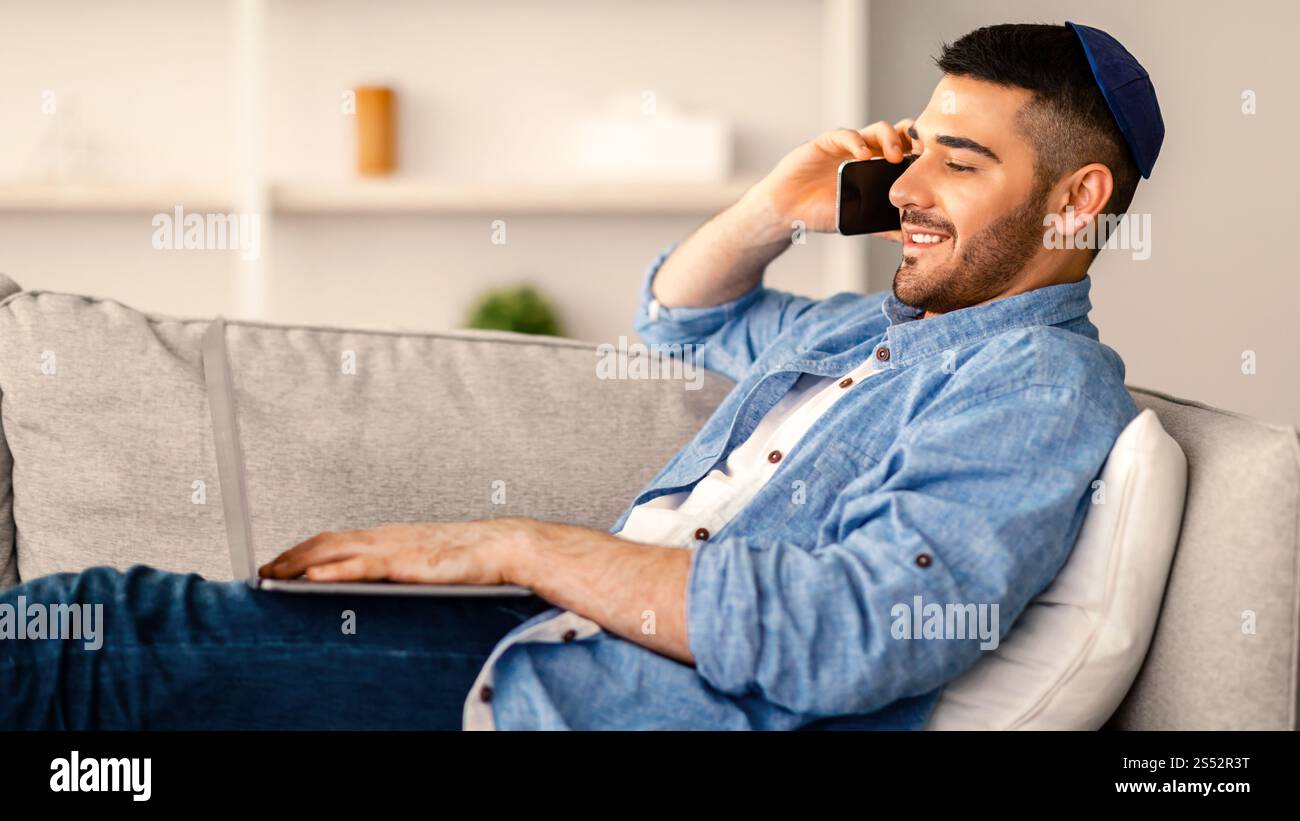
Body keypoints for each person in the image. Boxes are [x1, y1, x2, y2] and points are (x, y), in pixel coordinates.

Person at [1, 21, 1162, 730]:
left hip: (602, 698)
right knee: (91, 624)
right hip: (544, 638)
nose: (906, 189)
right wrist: (772, 206)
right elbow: (681, 322)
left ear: (1076, 197)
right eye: (911, 153)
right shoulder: (877, 332)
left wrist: (516, 544)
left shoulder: (1036, 389)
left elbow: (867, 631)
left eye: (956, 164)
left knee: (103, 642)